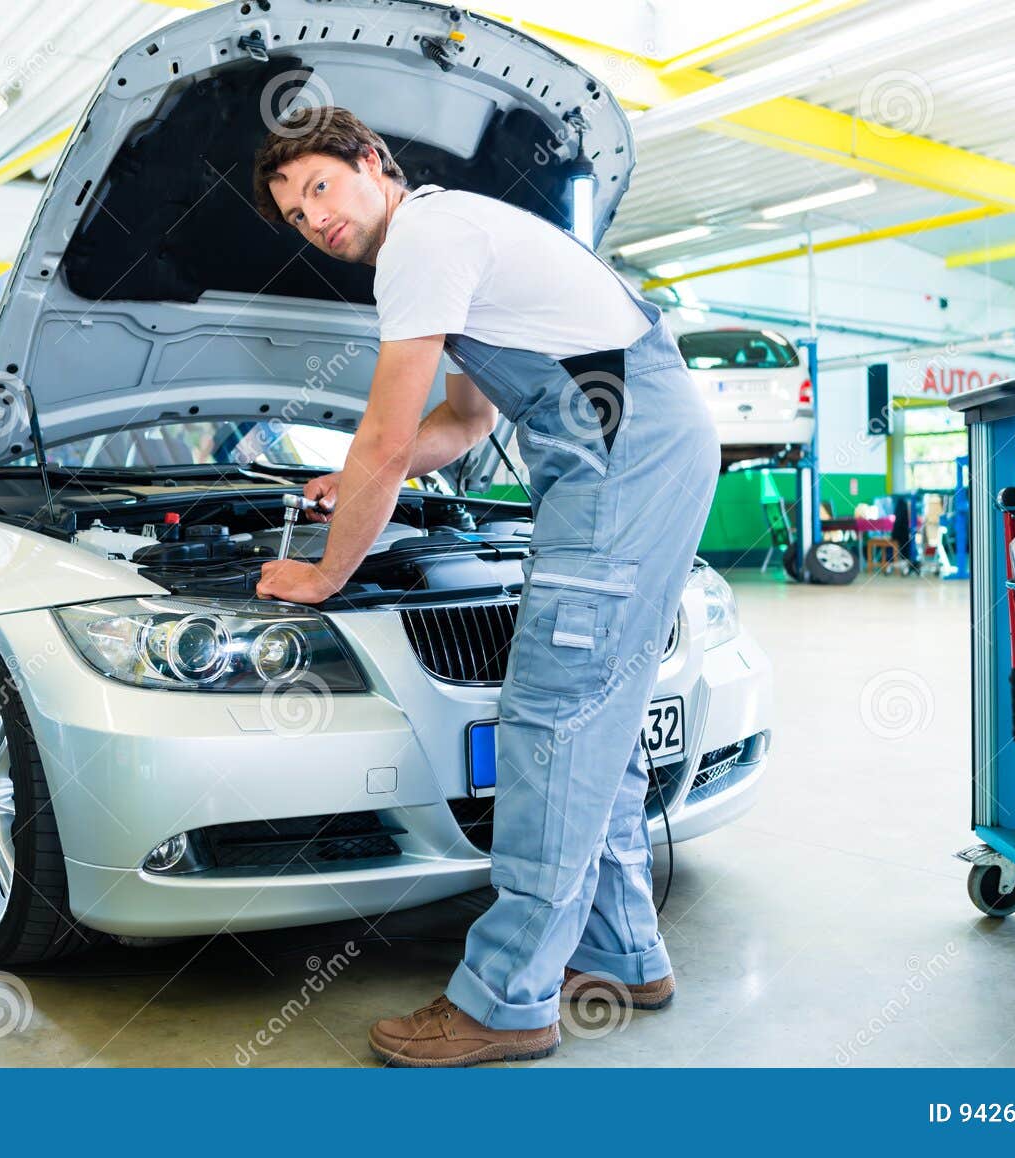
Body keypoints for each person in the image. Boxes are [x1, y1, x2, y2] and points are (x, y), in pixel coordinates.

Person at [252, 106, 719, 1066]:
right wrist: (358, 484)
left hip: (619, 459)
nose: (315, 219)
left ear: (372, 162)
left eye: (321, 187)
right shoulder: (452, 234)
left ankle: (505, 1001)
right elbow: (458, 426)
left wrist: (325, 571)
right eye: (295, 214)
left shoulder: (423, 241)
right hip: (636, 444)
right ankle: (623, 953)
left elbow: (386, 436)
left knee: (549, 716)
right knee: (598, 717)